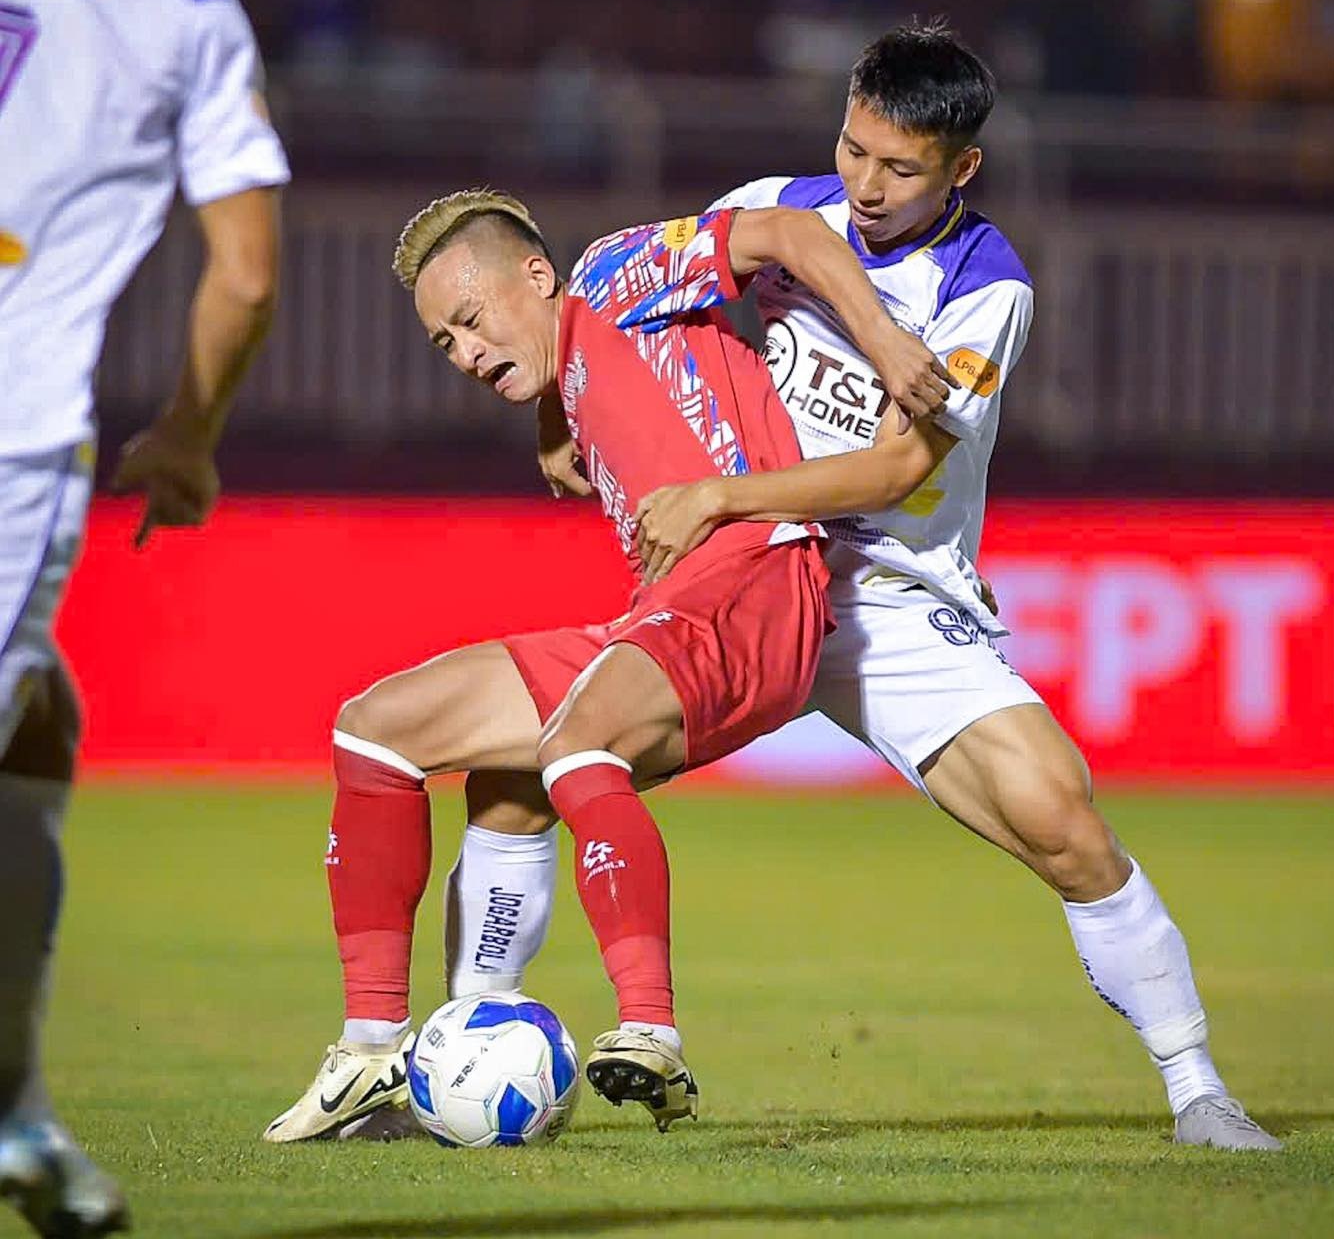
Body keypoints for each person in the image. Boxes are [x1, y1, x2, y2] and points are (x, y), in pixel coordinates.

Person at [447, 23, 1282, 1152]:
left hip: (884, 593)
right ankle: (457, 1033)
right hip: (739, 579)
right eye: (854, 151)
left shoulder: (987, 288)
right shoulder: (781, 212)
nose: (869, 187)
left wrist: (724, 496)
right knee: (531, 764)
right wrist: (560, 421)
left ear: (962, 168)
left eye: (902, 169)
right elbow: (607, 307)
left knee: (1065, 823)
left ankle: (1200, 1094)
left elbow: (898, 467)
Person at [263, 189, 952, 1142]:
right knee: (383, 731)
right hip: (668, 616)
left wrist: (889, 347)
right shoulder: (572, 368)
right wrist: (554, 414)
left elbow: (788, 233)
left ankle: (651, 1030)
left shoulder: (612, 272)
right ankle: (386, 1049)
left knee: (576, 739)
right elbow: (587, 375)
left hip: (758, 575)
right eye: (445, 345)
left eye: (470, 321)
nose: (465, 354)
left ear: (538, 275)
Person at [0, 0, 291, 1231]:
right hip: (8, 436)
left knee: (35, 731)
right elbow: (242, 269)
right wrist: (184, 435)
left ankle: (14, 1120)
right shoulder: (179, 4)